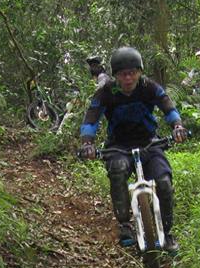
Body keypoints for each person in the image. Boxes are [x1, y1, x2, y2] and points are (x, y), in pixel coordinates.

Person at [80, 46, 187, 252]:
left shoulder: (148, 87)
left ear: (139, 72)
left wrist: (177, 126)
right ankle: (125, 225)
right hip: (118, 146)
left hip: (149, 143)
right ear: (115, 76)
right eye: (123, 74)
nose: (128, 78)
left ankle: (167, 233)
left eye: (132, 73)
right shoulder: (106, 92)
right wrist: (87, 143)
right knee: (117, 171)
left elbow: (167, 106)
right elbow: (91, 119)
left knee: (164, 182)